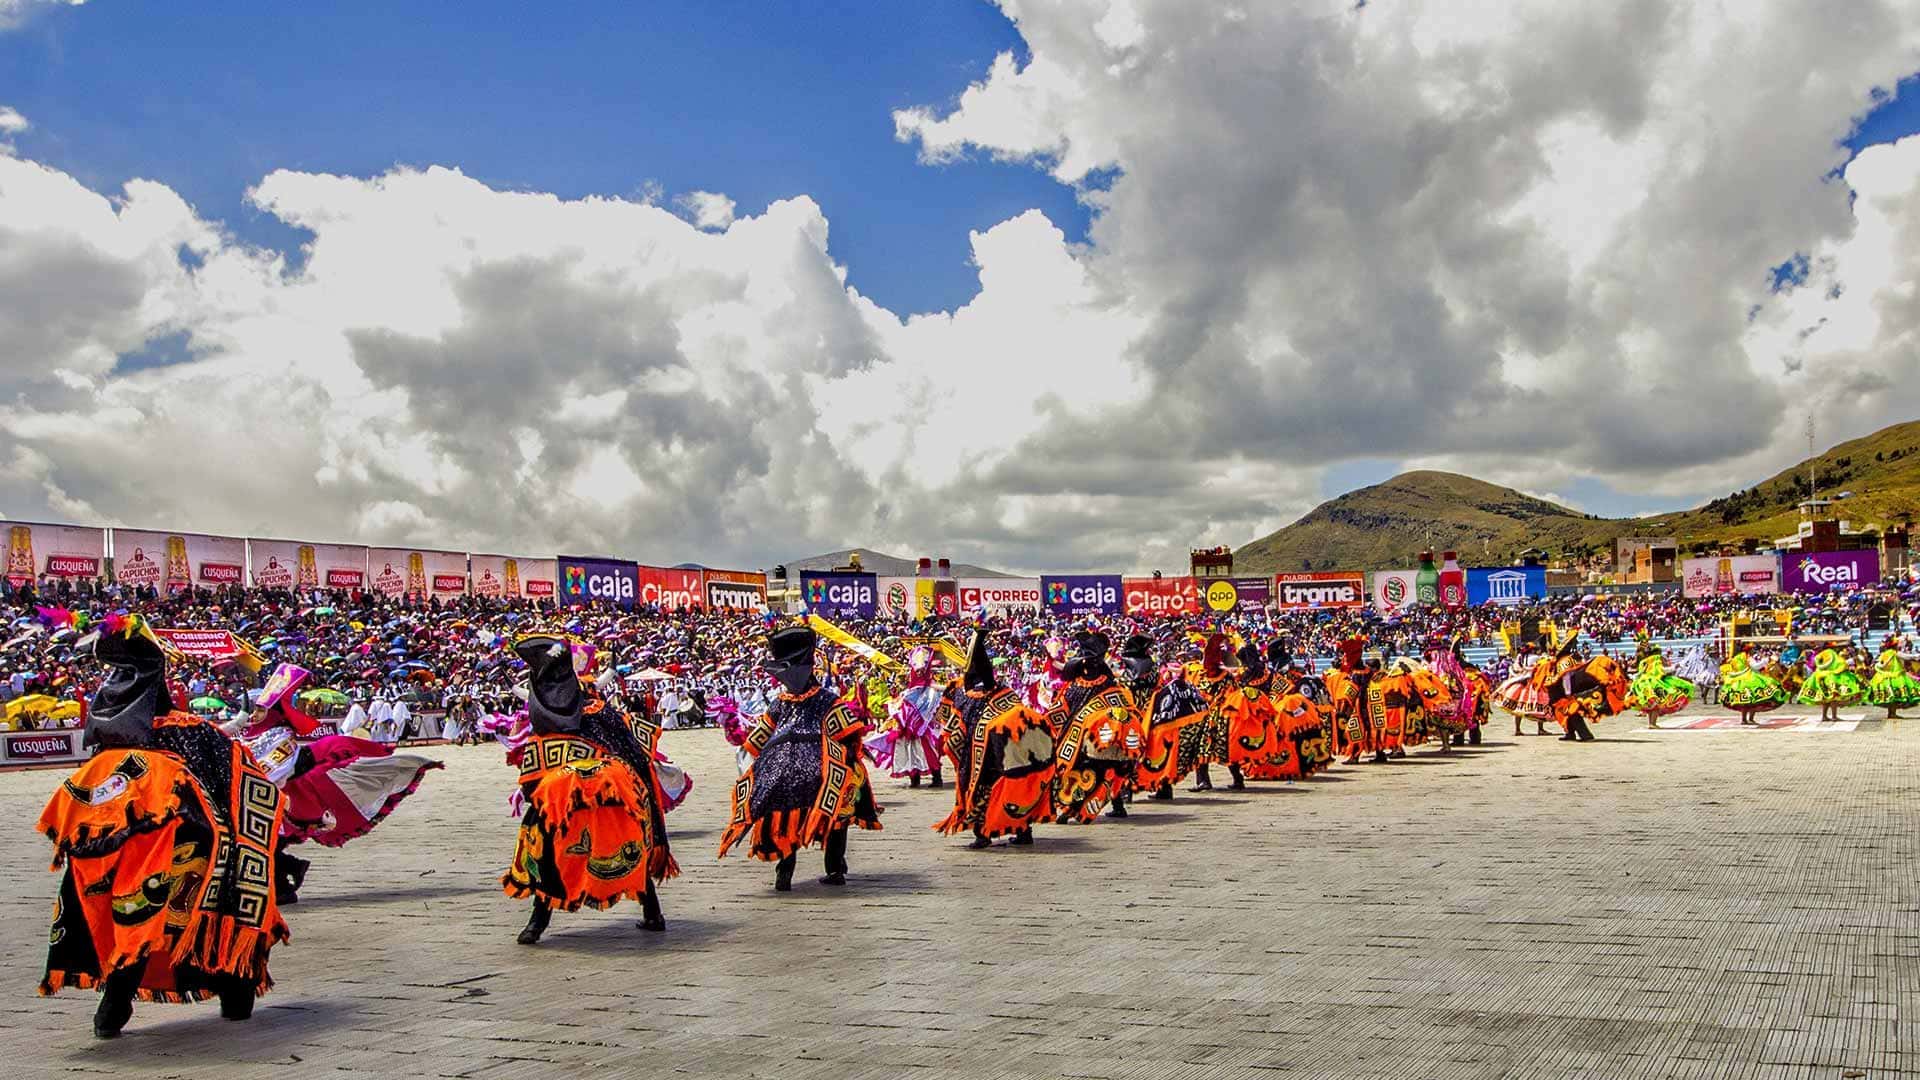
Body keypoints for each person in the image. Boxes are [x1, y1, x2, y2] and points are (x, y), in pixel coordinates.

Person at [37, 614, 289, 1038]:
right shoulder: (193, 732)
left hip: (122, 846)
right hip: (195, 845)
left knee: (136, 912)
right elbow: (247, 782)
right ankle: (233, 990)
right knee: (220, 907)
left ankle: (117, 997)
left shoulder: (108, 752)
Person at [503, 634, 674, 944]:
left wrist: (534, 793)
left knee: (548, 847)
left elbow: (534, 766)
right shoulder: (598, 707)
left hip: (561, 796)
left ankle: (536, 924)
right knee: (627, 843)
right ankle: (652, 913)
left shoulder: (543, 709)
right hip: (612, 787)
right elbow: (632, 750)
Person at [237, 662, 443, 904]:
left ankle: (285, 881)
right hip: (280, 799)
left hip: (295, 797)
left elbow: (271, 772)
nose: (253, 717)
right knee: (263, 844)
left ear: (272, 715)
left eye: (259, 712)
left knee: (260, 842)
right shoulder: (259, 736)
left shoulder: (281, 738)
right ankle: (286, 877)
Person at [718, 625, 881, 891]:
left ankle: (784, 873)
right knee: (838, 812)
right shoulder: (829, 701)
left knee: (782, 816)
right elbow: (849, 737)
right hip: (824, 771)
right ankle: (835, 869)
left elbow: (755, 742)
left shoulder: (779, 704)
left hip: (781, 771)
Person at [934, 628, 1054, 847]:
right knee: (1007, 788)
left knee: (988, 790)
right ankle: (1017, 831)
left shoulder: (975, 695)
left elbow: (953, 733)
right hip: (996, 752)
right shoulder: (996, 693)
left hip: (990, 753)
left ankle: (987, 834)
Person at [1046, 630, 1140, 822]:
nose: (1088, 664)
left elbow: (1124, 713)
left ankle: (1071, 808)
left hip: (1096, 739)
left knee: (1088, 773)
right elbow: (1059, 711)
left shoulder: (1109, 687)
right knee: (1091, 773)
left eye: (1091, 661)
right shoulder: (1078, 685)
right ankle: (1098, 806)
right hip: (1078, 738)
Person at [864, 646, 945, 788]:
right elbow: (900, 707)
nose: (918, 672)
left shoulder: (931, 690)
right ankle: (915, 779)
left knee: (926, 753)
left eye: (921, 669)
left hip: (921, 730)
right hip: (908, 729)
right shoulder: (911, 691)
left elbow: (929, 709)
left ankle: (935, 778)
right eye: (917, 670)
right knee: (910, 753)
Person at [1625, 649, 1694, 729]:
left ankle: (1651, 723)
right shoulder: (1656, 659)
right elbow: (1661, 671)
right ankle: (1652, 724)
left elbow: (1640, 673)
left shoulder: (1643, 662)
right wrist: (1675, 667)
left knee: (1651, 705)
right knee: (1656, 705)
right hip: (1654, 684)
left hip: (1643, 684)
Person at [1719, 645, 1785, 726]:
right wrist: (1766, 660)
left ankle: (1748, 719)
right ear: (1749, 650)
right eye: (1753, 649)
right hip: (1750, 679)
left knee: (1752, 701)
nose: (1754, 651)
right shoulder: (1747, 657)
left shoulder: (1739, 657)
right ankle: (1746, 719)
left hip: (1745, 679)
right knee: (1751, 700)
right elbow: (1755, 666)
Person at [1796, 645, 1864, 722]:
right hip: (1830, 679)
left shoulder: (1821, 659)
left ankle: (1824, 716)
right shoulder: (1834, 658)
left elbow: (1815, 665)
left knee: (1825, 699)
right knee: (1833, 698)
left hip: (1820, 678)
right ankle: (1834, 716)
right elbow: (1843, 665)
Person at [1865, 637, 1920, 718]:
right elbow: (1907, 657)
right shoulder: (1895, 653)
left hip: (1884, 677)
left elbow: (1880, 664)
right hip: (1895, 677)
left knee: (1891, 697)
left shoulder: (1885, 654)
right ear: (1894, 646)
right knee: (1894, 696)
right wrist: (1917, 656)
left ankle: (1891, 713)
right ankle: (1892, 713)